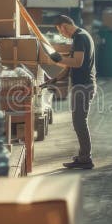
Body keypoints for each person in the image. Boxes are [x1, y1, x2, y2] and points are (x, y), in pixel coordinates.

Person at [48, 15, 97, 170]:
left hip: (83, 86)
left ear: (64, 26)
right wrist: (55, 79)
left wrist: (57, 58)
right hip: (81, 85)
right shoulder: (79, 36)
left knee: (79, 123)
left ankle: (85, 159)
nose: (62, 34)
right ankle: (83, 156)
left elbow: (77, 62)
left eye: (60, 30)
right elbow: (70, 66)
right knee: (79, 123)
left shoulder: (80, 38)